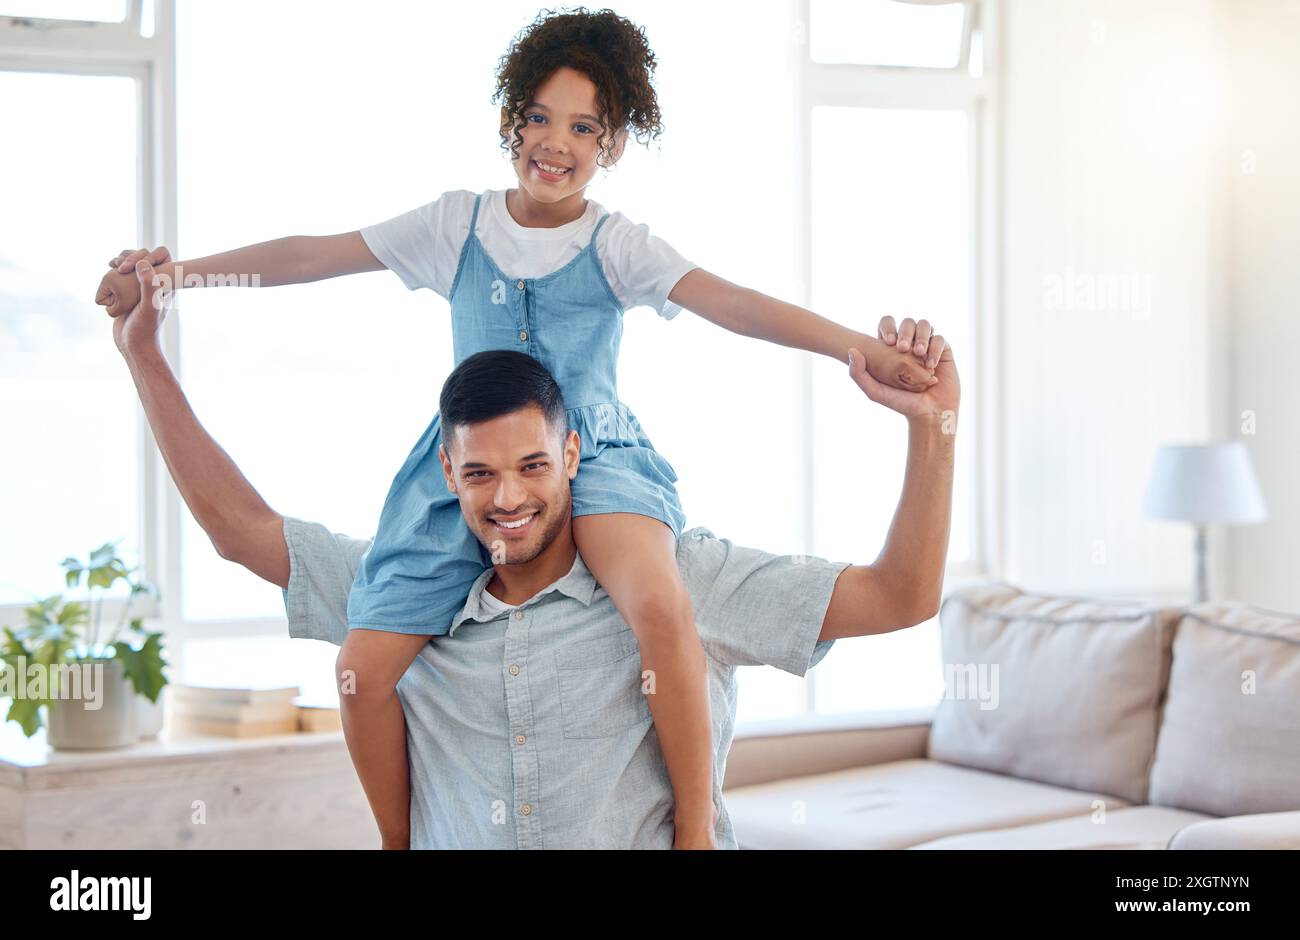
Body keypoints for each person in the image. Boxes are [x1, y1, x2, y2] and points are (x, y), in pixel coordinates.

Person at [95, 9, 947, 849]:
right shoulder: (455, 227)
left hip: (597, 451)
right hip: (479, 445)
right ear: (510, 121)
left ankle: (696, 828)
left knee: (658, 603)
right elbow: (311, 256)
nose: (556, 141)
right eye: (539, 117)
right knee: (360, 669)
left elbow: (736, 306)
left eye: (584, 126)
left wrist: (859, 351)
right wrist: (178, 280)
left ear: (611, 144)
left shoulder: (618, 246)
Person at [109, 256, 959, 849]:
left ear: (575, 456)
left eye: (532, 467)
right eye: (479, 473)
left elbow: (900, 596)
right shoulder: (400, 594)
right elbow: (241, 531)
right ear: (447, 471)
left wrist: (934, 429)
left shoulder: (674, 579)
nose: (508, 499)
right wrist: (144, 356)